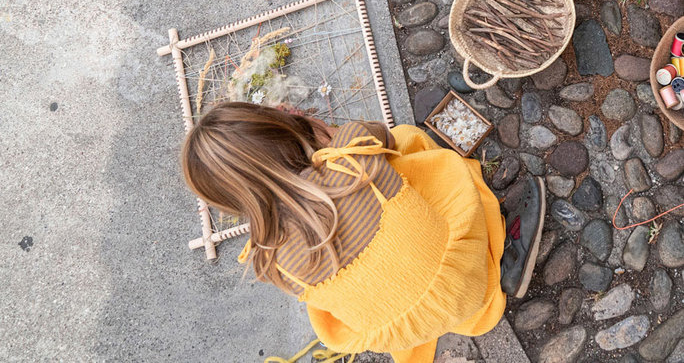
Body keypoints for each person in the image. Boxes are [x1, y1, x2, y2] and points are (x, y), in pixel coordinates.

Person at [181, 101, 545, 363]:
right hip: (459, 281)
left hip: (407, 329)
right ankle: (499, 258)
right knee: (406, 142)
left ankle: (442, 306)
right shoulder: (348, 153)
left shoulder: (271, 264)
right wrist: (315, 128)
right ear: (280, 123)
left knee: (320, 302)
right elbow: (383, 136)